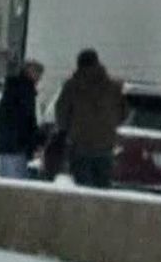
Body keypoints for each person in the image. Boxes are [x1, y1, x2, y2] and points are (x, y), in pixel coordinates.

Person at [53, 49, 127, 189]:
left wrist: (67, 130)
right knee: (103, 188)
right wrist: (109, 126)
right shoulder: (113, 87)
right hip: (106, 145)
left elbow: (61, 112)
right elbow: (123, 113)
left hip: (80, 145)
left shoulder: (72, 85)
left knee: (84, 188)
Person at [0, 60, 43, 179]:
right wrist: (36, 140)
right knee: (15, 179)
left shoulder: (13, 88)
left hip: (9, 143)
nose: (39, 78)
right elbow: (28, 119)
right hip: (17, 144)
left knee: (8, 177)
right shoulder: (25, 91)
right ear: (31, 72)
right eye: (39, 74)